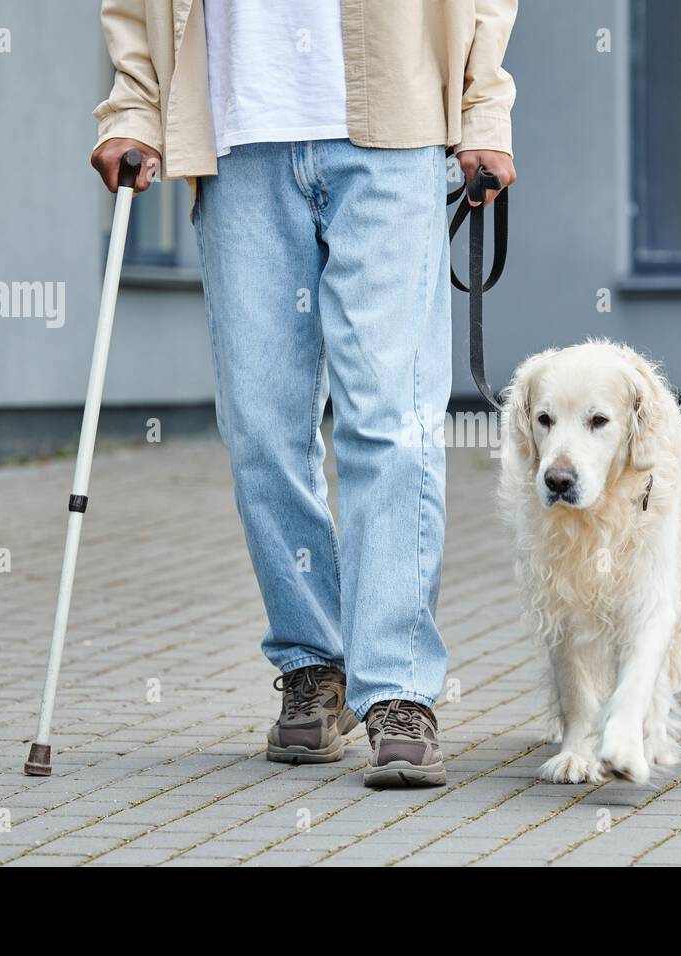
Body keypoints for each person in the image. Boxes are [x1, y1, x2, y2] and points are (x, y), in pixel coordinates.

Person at [90, 0, 517, 788]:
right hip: (236, 134)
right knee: (260, 427)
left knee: (387, 419)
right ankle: (314, 660)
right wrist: (135, 105)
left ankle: (396, 688)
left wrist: (484, 110)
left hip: (395, 126)